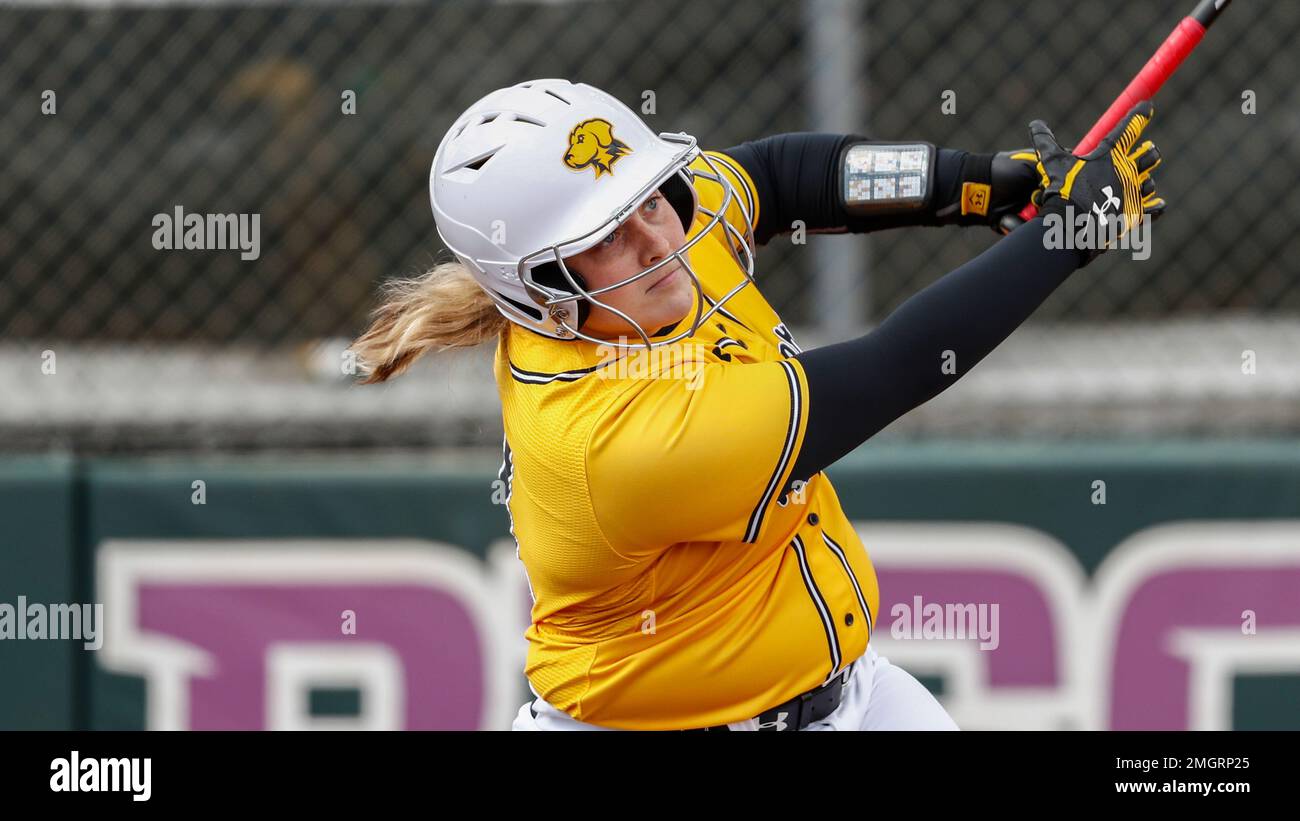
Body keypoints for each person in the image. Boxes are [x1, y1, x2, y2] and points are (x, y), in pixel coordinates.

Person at [349, 78, 1164, 731]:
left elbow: (779, 179)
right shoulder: (612, 437)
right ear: (538, 290)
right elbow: (898, 366)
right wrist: (1064, 238)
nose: (657, 241)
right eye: (605, 238)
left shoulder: (662, 229)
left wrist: (982, 184)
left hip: (850, 694)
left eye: (650, 200)